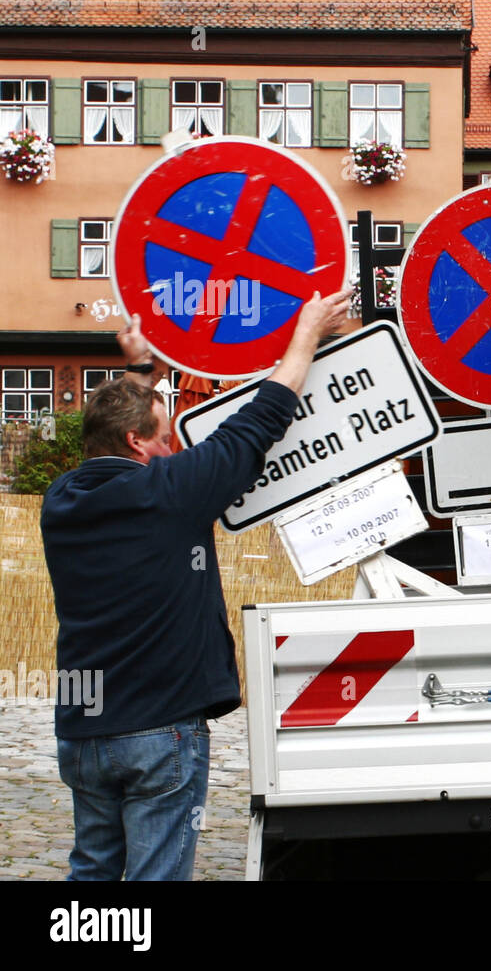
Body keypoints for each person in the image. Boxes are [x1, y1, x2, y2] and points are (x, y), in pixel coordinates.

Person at [42, 288, 351, 880]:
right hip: (157, 726)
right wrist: (306, 333)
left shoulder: (60, 501)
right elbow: (259, 421)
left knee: (93, 876)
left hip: (83, 730)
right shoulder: (170, 492)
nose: (173, 447)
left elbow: (129, 430)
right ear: (137, 443)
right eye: (163, 437)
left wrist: (142, 371)